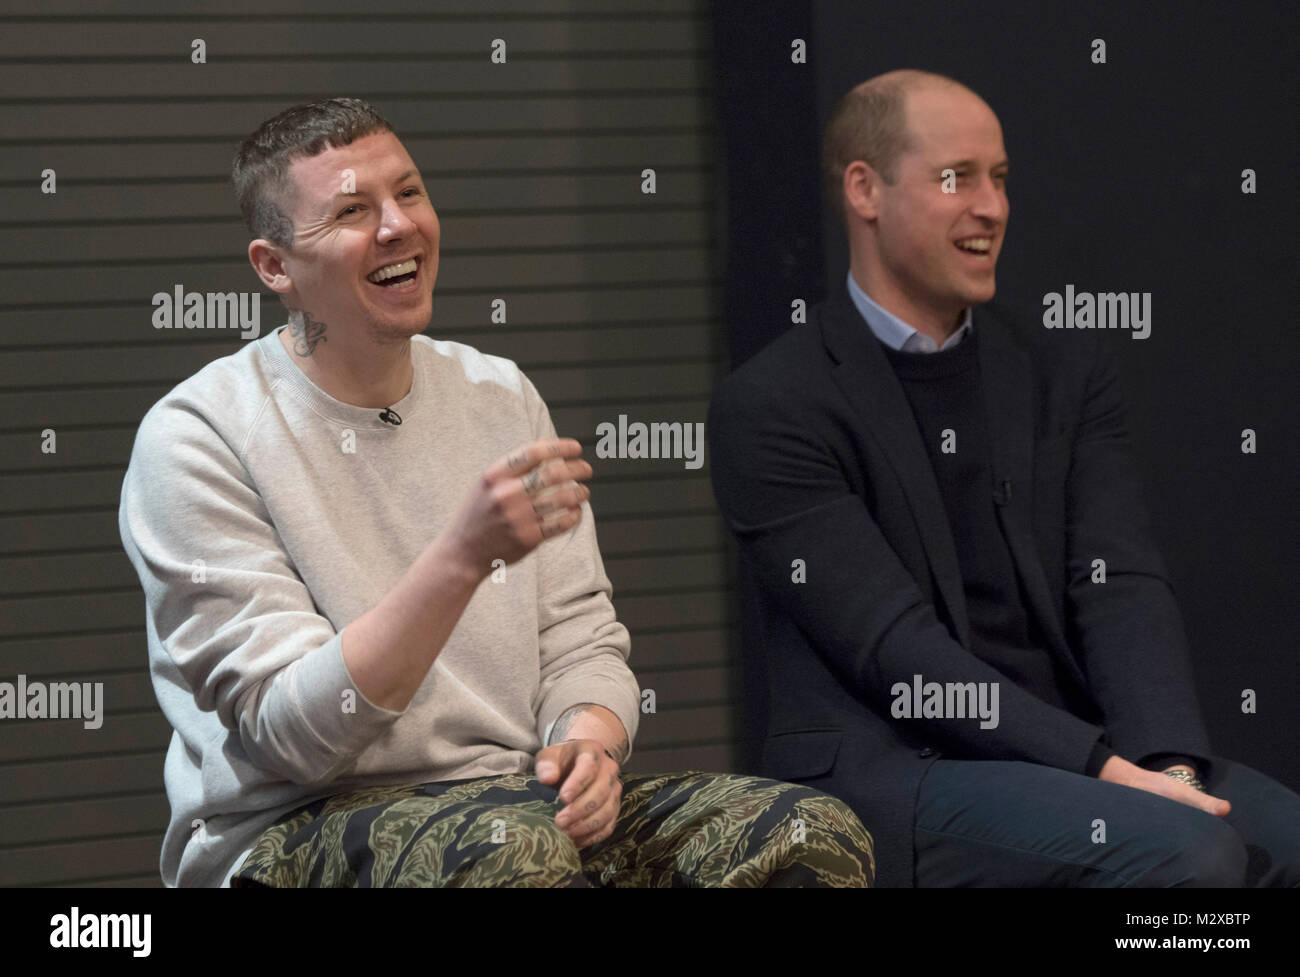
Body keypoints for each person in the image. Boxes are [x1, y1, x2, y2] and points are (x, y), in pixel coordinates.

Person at [118, 97, 874, 888]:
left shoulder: (498, 393)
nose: (397, 226)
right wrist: (462, 555)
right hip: (291, 829)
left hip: (516, 802)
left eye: (409, 193)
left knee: (809, 830)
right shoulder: (199, 434)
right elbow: (292, 737)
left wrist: (590, 739)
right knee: (514, 850)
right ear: (275, 267)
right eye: (352, 210)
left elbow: (583, 639)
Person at [707, 70, 1300, 887]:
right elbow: (895, 648)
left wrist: (1169, 765)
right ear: (864, 190)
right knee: (1188, 858)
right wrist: (1103, 771)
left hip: (1074, 747)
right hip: (898, 768)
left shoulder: (1062, 368)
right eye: (958, 178)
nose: (992, 207)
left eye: (1001, 178)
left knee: (1282, 840)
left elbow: (1118, 582)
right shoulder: (773, 404)